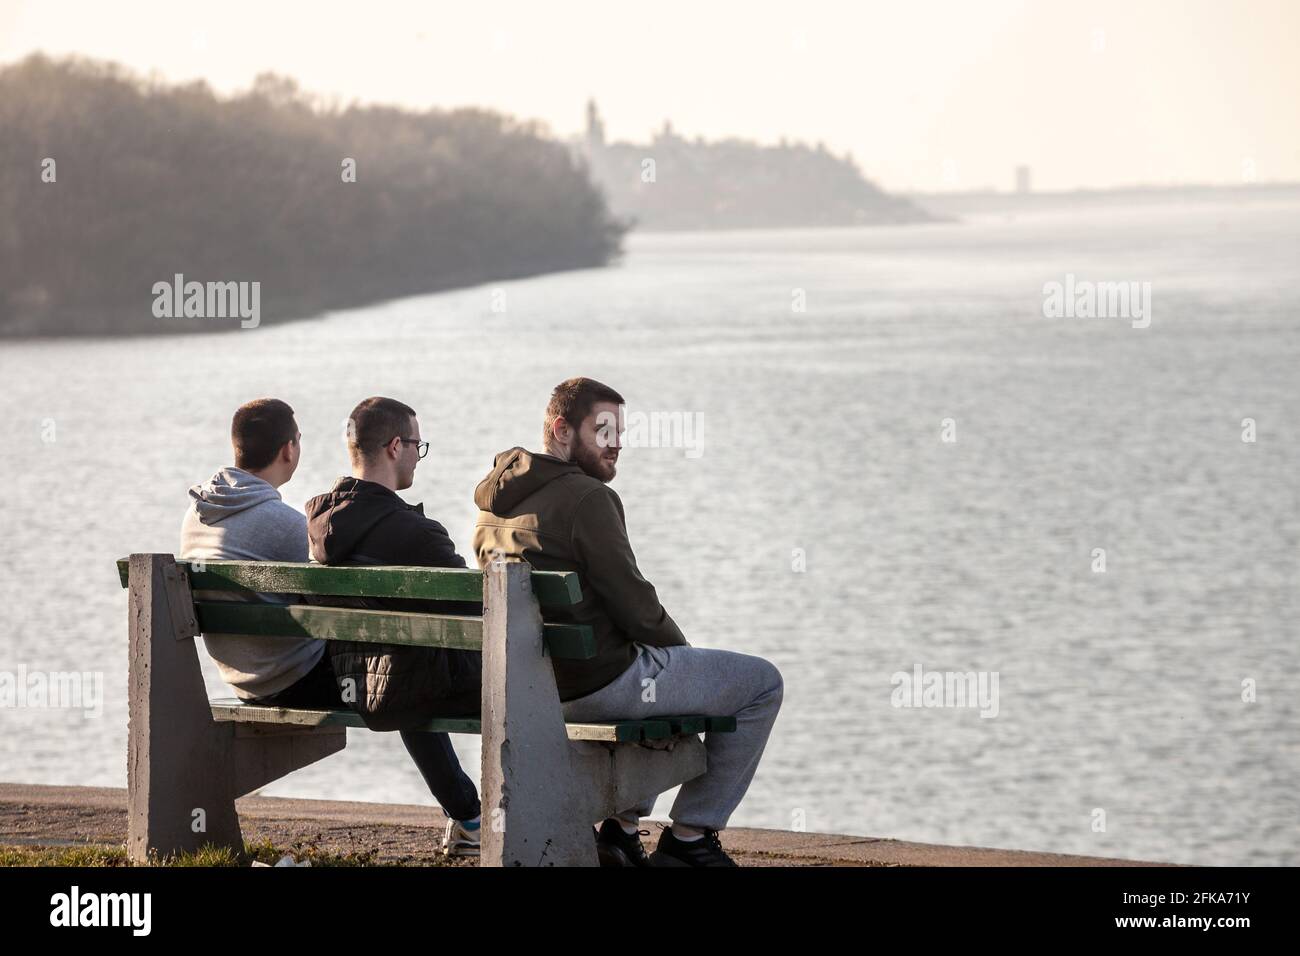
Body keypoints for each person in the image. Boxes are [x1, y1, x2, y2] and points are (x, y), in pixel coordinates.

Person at [471, 377, 783, 867]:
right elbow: (636, 605)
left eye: (620, 430)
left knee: (668, 680)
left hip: (530, 687)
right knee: (760, 683)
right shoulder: (587, 498)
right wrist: (682, 657)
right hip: (598, 683)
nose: (617, 443)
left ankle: (621, 830)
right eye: (603, 430)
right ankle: (690, 837)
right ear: (562, 429)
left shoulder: (493, 506)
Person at [305, 396, 483, 857]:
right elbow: (483, 612)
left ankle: (469, 817)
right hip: (404, 682)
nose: (418, 458)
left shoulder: (319, 524)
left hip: (356, 679)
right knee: (534, 671)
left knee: (410, 662)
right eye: (418, 446)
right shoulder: (417, 534)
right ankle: (508, 819)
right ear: (395, 446)